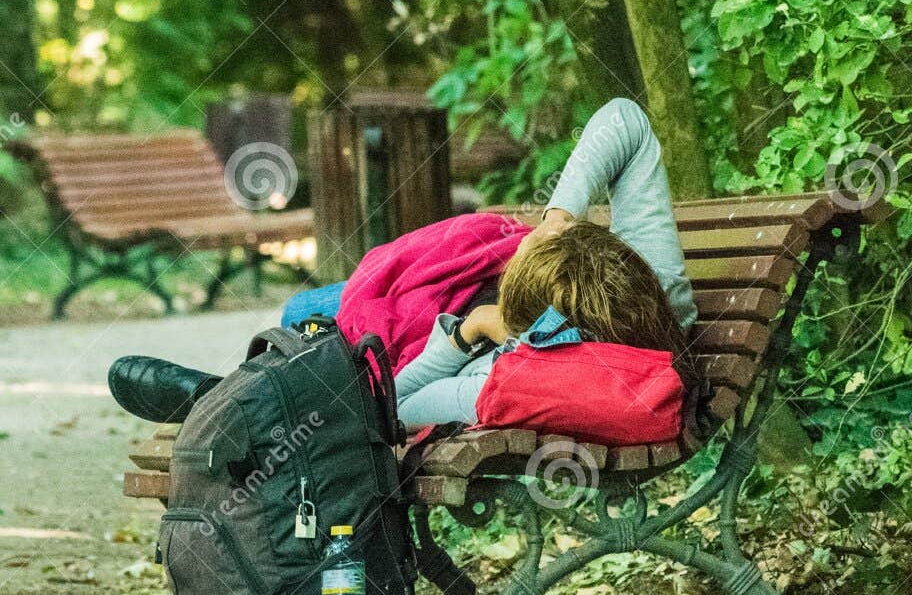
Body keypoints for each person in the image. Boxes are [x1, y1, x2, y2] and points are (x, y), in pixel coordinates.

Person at [107, 98, 697, 430]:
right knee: (306, 313)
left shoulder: (529, 373)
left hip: (444, 332)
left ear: (535, 338)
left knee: (307, 326)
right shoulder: (659, 283)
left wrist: (468, 334)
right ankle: (241, 400)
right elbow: (625, 118)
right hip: (457, 295)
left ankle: (227, 404)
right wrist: (558, 218)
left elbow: (391, 412)